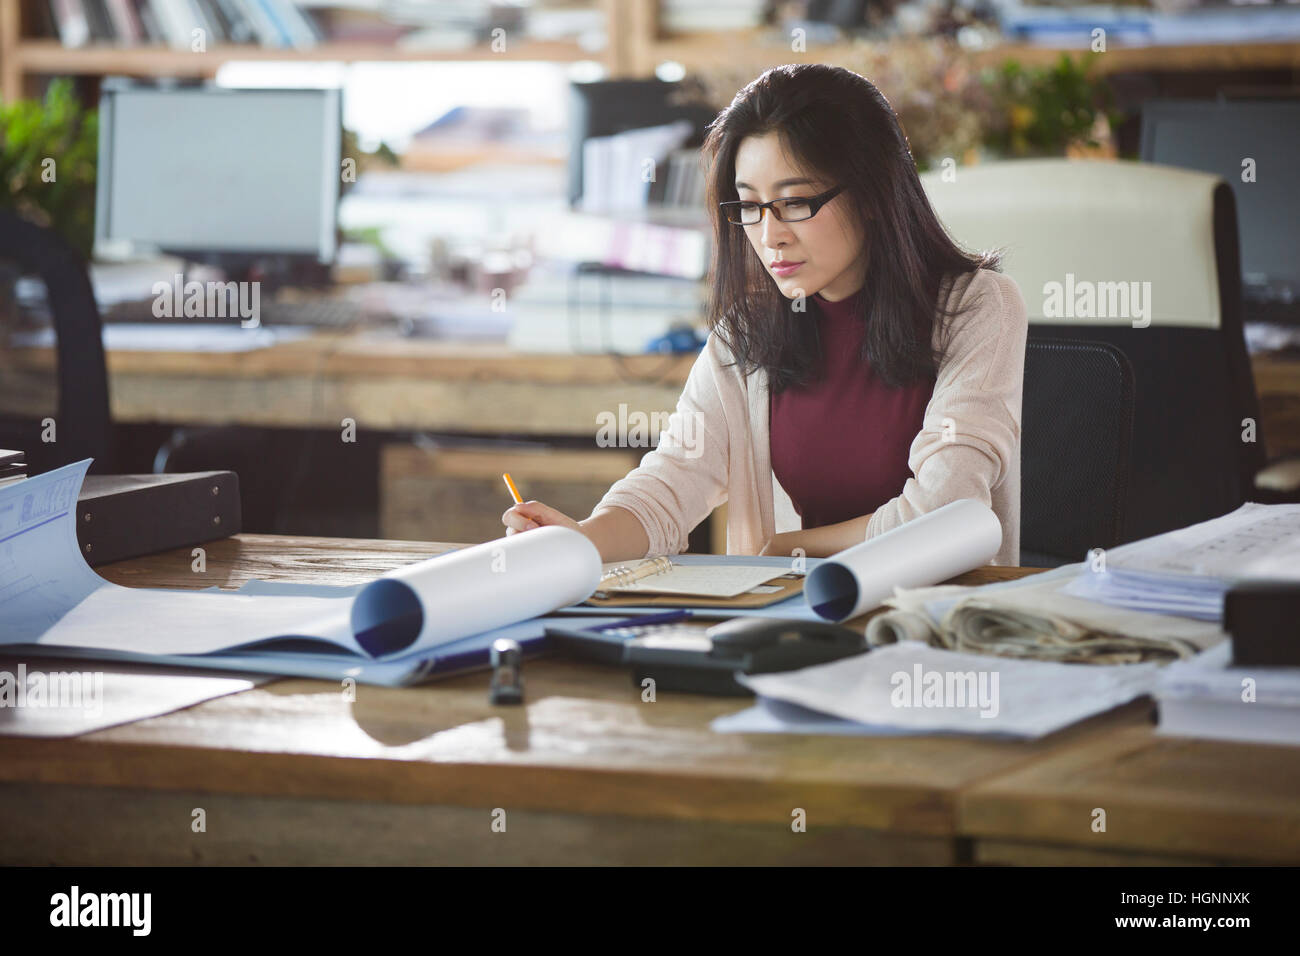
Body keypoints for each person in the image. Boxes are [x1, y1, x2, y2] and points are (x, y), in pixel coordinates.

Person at [503, 63, 1027, 565]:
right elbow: (670, 483)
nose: (770, 234)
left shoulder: (976, 309)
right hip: (800, 633)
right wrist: (580, 541)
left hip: (931, 630)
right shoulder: (745, 336)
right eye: (749, 206)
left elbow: (946, 511)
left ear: (871, 192)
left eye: (795, 202)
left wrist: (791, 549)